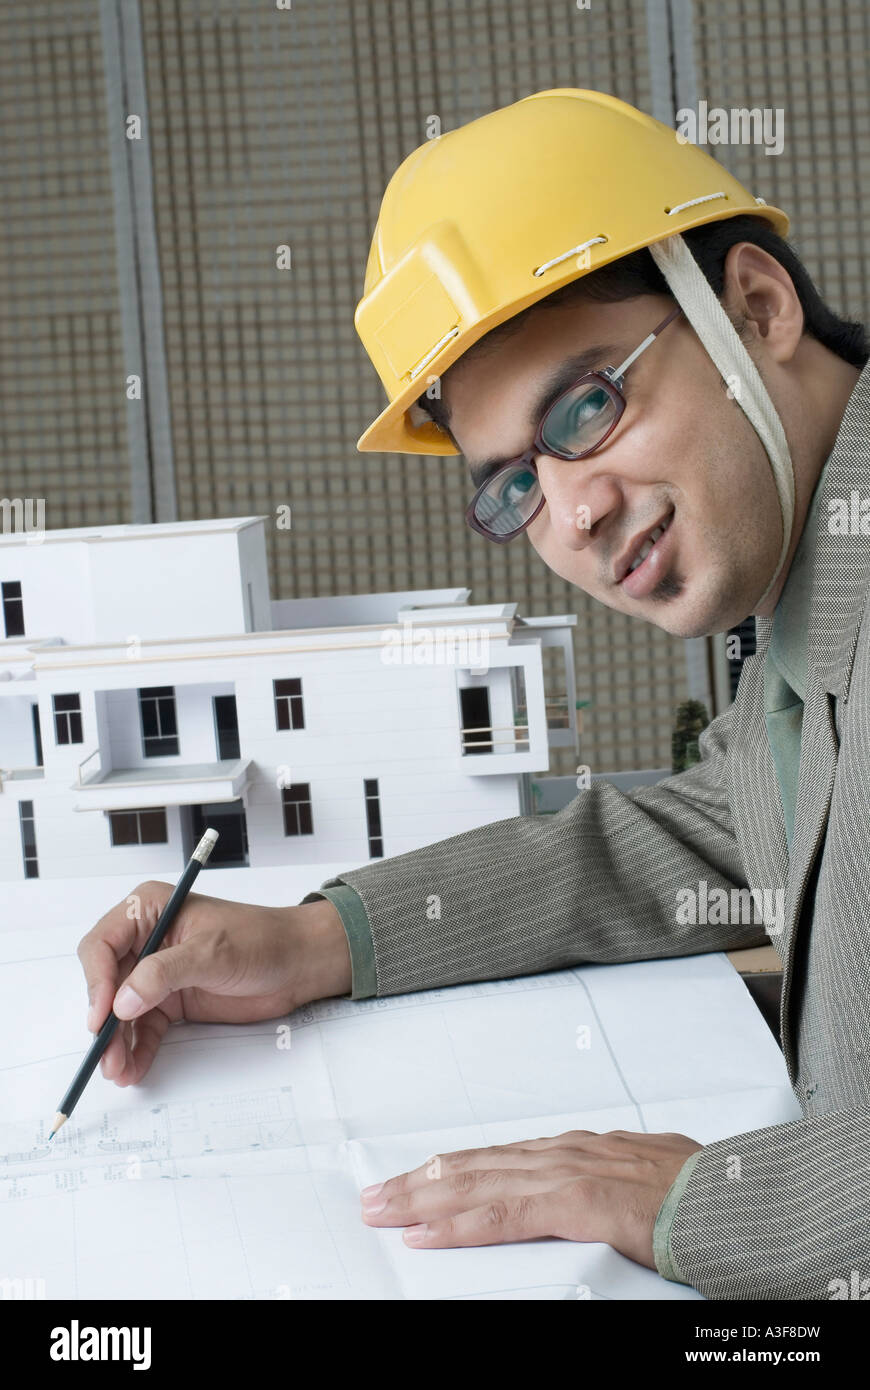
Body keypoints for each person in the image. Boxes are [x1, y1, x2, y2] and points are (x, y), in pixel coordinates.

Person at [77, 89, 870, 1300]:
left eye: (589, 406)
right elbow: (720, 825)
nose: (577, 511)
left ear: (756, 309)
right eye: (514, 487)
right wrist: (319, 940)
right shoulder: (809, 629)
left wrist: (723, 1204)